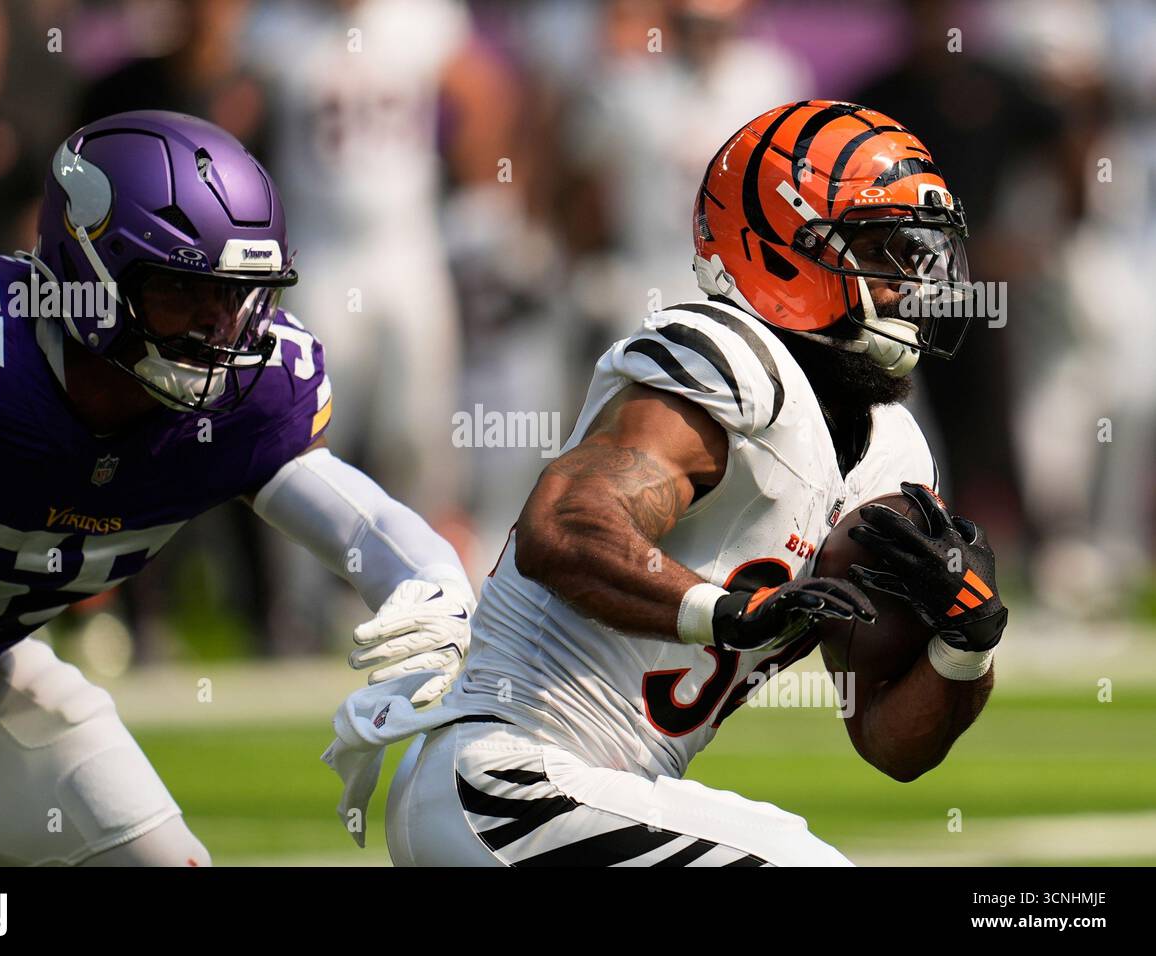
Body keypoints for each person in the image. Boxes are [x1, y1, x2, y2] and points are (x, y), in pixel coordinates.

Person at [369, 101, 1009, 866]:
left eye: (918, 256)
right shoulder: (729, 362)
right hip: (506, 771)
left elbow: (891, 744)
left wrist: (966, 646)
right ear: (782, 251)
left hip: (604, 795)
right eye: (879, 251)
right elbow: (564, 526)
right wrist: (723, 612)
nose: (908, 284)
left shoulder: (894, 456)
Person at [0, 111, 474, 866]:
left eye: (236, 296)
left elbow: (352, 518)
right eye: (185, 289)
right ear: (90, 271)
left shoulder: (251, 396)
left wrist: (433, 581)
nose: (219, 330)